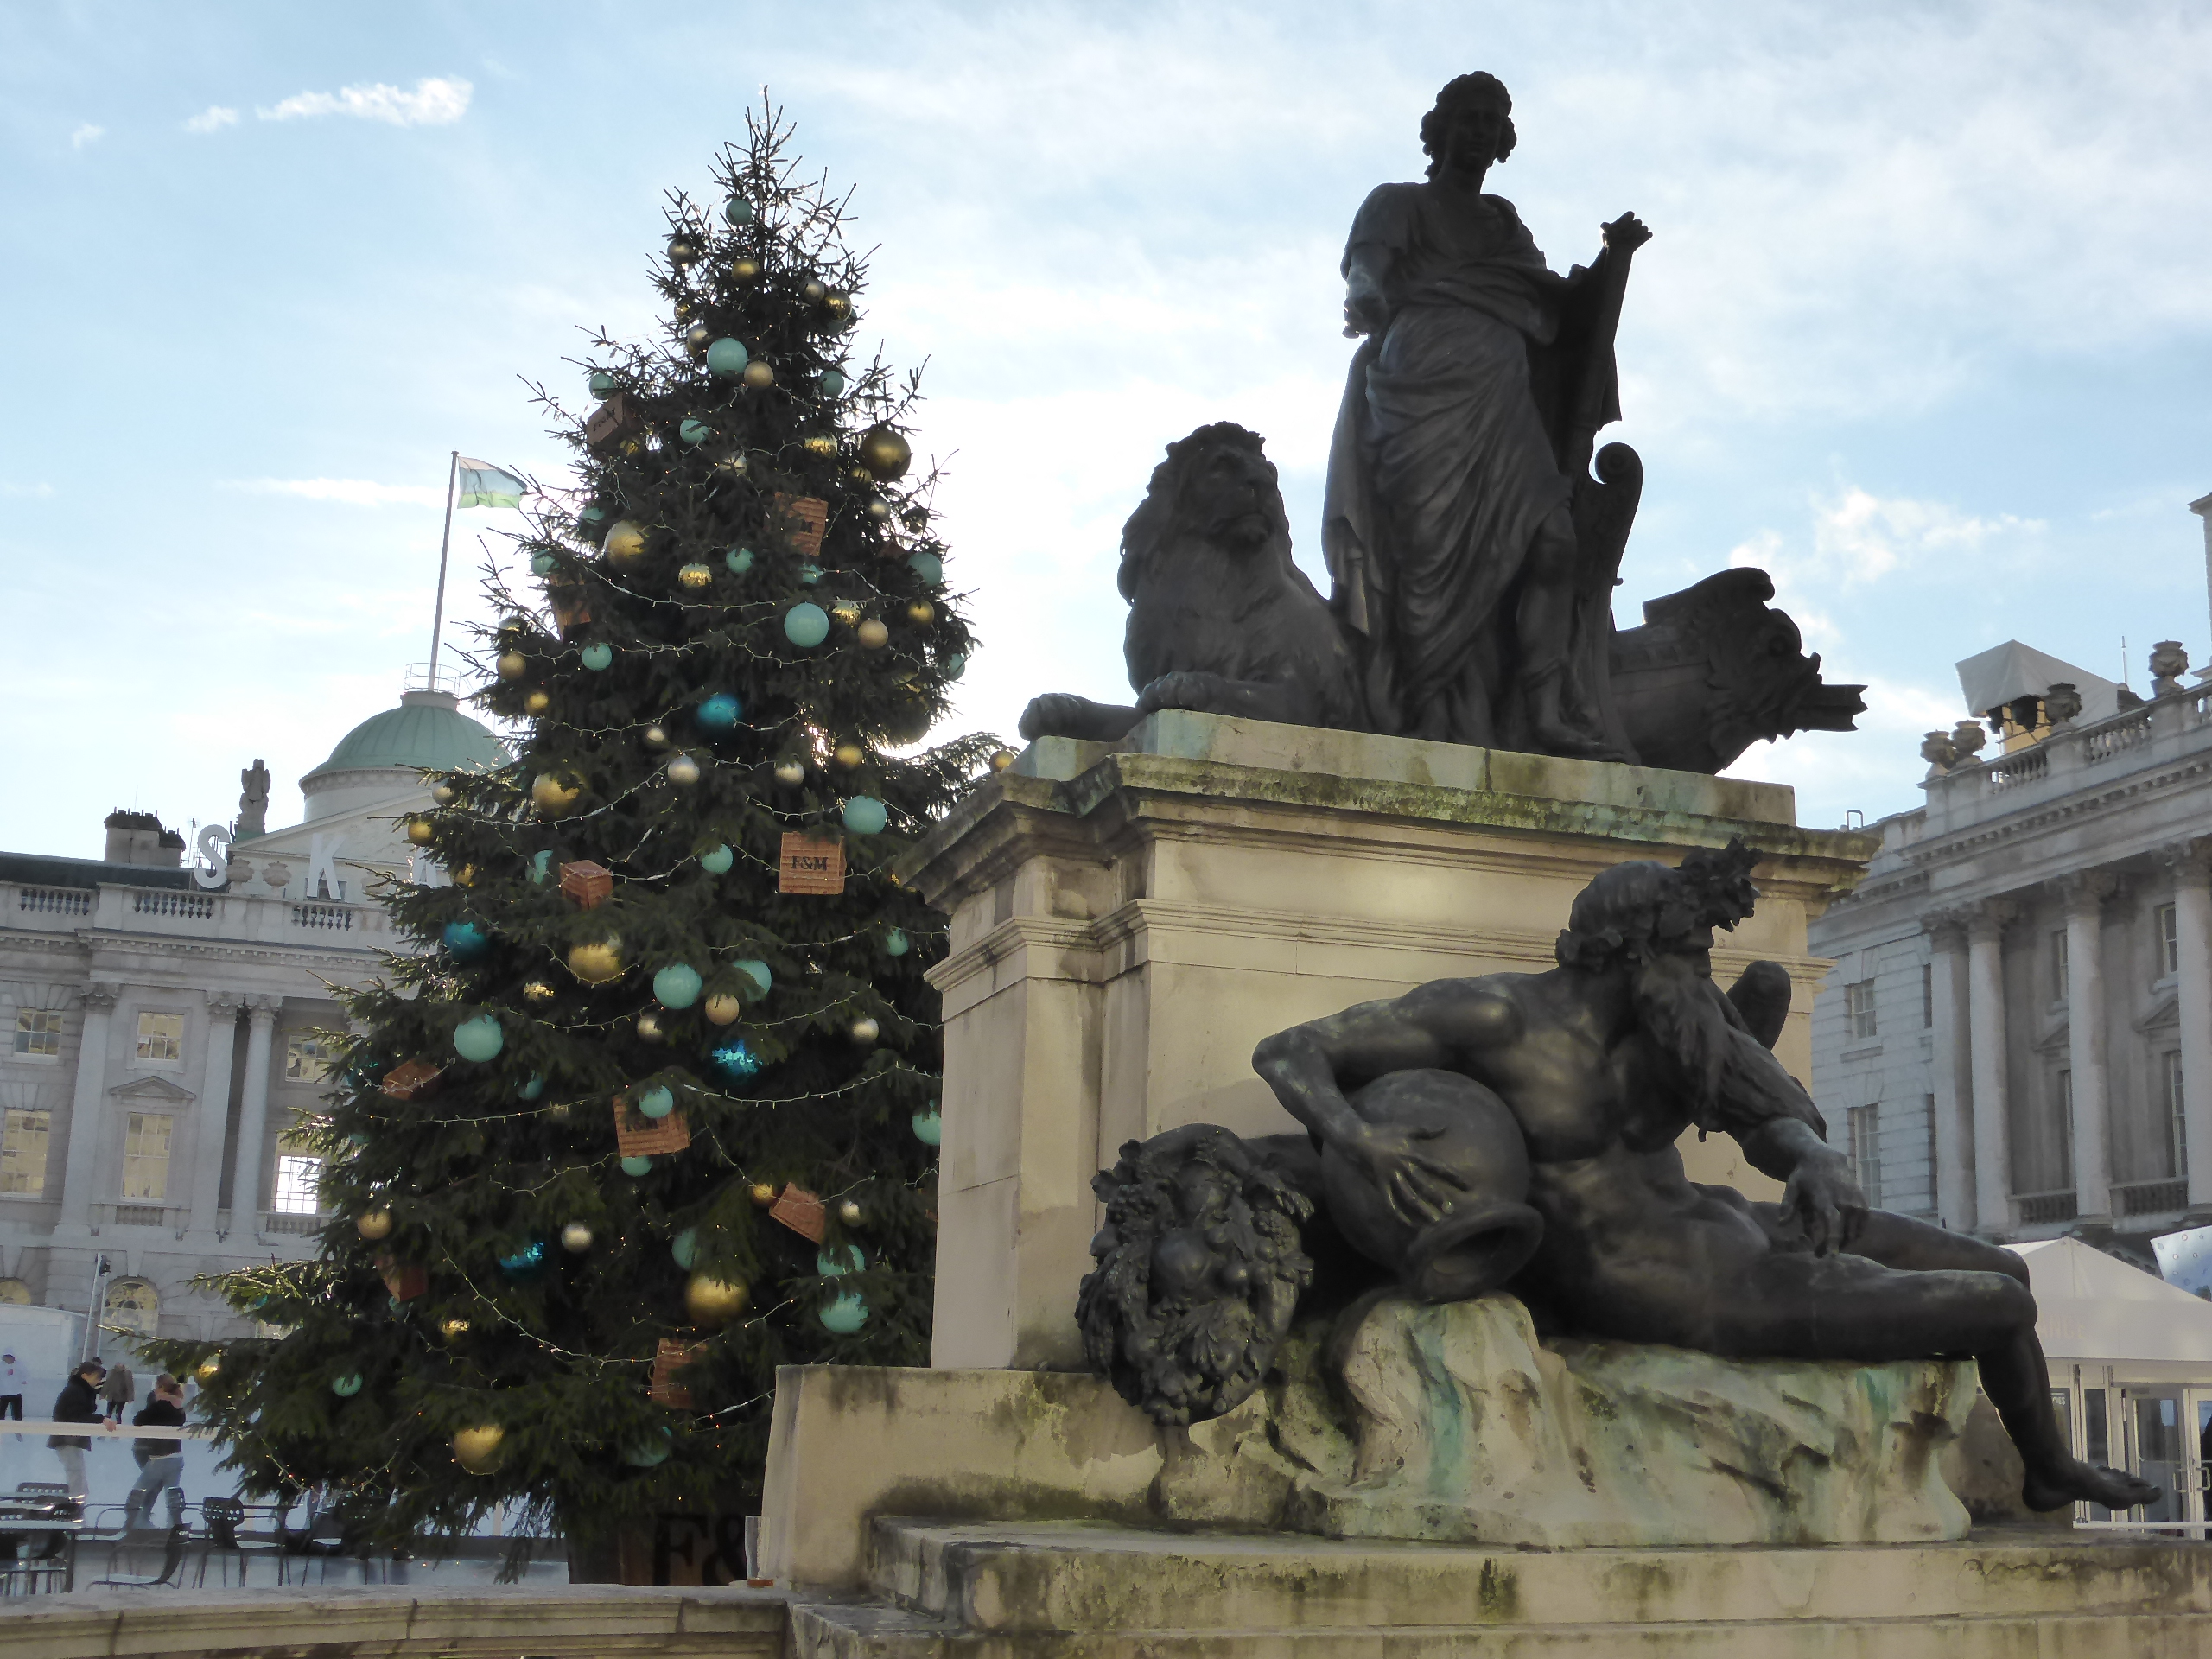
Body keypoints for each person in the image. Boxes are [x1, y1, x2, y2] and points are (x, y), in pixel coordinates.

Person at [1252, 841, 2161, 1514]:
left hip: (1725, 1221)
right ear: (1624, 949)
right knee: (1995, 1309)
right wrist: (1357, 1142)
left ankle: (2043, 1463)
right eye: (1688, 951)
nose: (1703, 970)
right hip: (1651, 1280)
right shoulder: (1497, 1016)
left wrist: (1812, 1157)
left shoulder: (1673, 1021)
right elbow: (1290, 1052)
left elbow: (1759, 1113)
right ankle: (2052, 1470)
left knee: (2008, 1271)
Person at [1323, 71, 1644, 757]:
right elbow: (1363, 271)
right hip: (1421, 385)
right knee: (1424, 558)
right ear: (1439, 129)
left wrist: (1613, 259)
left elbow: (1556, 311)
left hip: (1502, 396)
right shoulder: (1395, 202)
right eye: (1467, 117)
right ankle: (1415, 705)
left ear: (1503, 141)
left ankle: (1547, 711)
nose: (1478, 130)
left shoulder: (1502, 222)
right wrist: (1367, 294)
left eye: (1491, 120)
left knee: (1552, 542)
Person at [122, 1375, 188, 1532]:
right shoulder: (179, 1406)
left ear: (160, 1388)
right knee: (172, 1492)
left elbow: (138, 1420)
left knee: (140, 1489)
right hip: (176, 1455)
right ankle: (174, 1526)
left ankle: (135, 1522)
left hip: (159, 1456)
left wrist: (153, 1404)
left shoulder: (159, 1405)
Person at [48, 1359, 106, 1501]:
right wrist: (101, 1419)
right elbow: (78, 1416)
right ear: (85, 1375)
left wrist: (92, 1393)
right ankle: (76, 1502)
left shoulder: (80, 1389)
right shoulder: (76, 1391)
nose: (98, 1380)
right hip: (67, 1438)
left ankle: (78, 1500)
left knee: (77, 1471)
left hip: (71, 1438)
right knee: (75, 1471)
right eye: (96, 1377)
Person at [101, 1357, 136, 1424]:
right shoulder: (113, 1372)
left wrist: (130, 1397)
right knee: (110, 1411)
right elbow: (108, 1383)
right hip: (113, 1395)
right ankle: (109, 1420)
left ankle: (117, 1421)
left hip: (121, 1395)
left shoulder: (126, 1373)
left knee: (117, 1412)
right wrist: (103, 1393)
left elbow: (130, 1385)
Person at [0, 1349, 23, 1419]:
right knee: (1, 1411)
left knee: (17, 1413)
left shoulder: (19, 1366)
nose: (8, 1359)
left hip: (16, 1393)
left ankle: (18, 1426)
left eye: (10, 1357)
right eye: (6, 1357)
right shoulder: (1, 1366)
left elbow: (25, 1375)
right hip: (3, 1393)